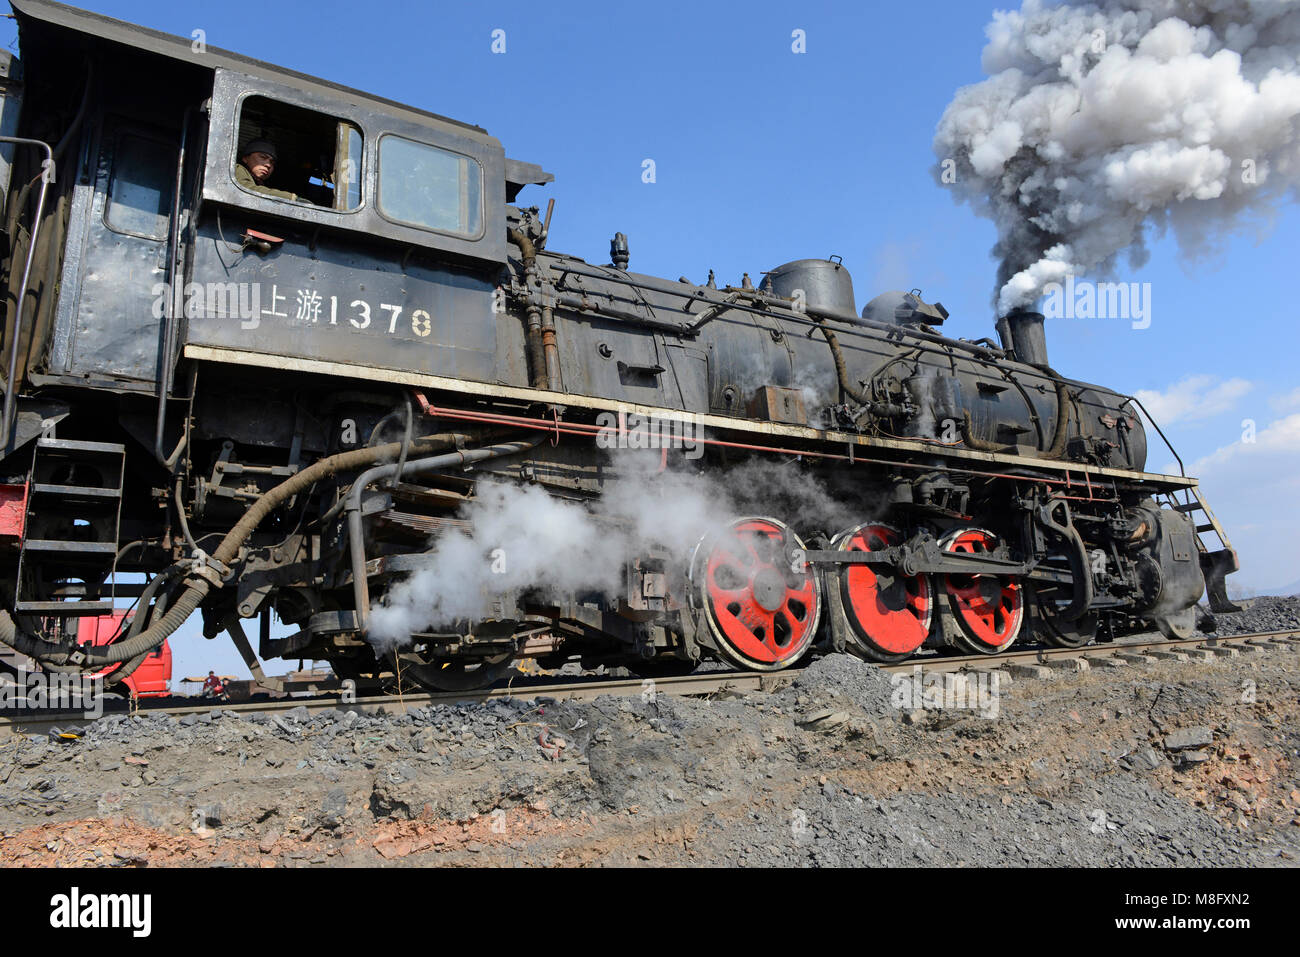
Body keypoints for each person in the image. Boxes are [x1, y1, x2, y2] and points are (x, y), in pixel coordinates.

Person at [235, 139, 300, 201]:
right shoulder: (237, 168)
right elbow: (246, 189)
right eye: (263, 157)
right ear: (245, 158)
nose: (268, 165)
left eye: (272, 162)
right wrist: (291, 198)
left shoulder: (261, 183)